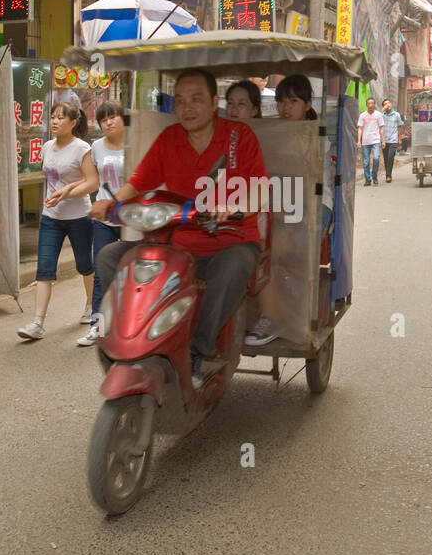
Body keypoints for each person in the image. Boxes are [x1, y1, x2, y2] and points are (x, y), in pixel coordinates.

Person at [89, 70, 268, 387]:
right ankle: (126, 336)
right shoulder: (170, 138)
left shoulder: (240, 137)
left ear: (214, 103)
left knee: (231, 268)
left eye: (197, 99)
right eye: (181, 100)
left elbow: (259, 189)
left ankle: (200, 351)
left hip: (230, 241)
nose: (188, 107)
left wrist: (235, 207)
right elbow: (139, 181)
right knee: (109, 257)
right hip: (177, 242)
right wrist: (111, 202)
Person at [244, 74, 327, 347]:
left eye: (293, 101)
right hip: (271, 210)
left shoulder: (316, 137)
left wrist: (293, 222)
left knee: (268, 250)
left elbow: (315, 192)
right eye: (281, 101)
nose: (285, 108)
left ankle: (273, 317)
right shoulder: (270, 132)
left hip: (306, 213)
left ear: (307, 104)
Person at [17, 103, 98, 340]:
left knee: (85, 265)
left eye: (60, 118)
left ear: (73, 123)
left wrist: (66, 193)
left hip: (79, 216)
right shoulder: (46, 147)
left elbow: (91, 182)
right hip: (51, 217)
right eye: (52, 117)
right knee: (44, 269)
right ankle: (37, 323)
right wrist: (56, 196)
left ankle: (91, 306)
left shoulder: (82, 148)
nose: (54, 121)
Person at [76, 101, 126, 347]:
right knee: (100, 270)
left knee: (131, 271)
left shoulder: (136, 144)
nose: (108, 122)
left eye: (113, 117)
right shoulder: (96, 147)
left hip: (129, 215)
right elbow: (93, 181)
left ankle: (128, 322)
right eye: (103, 119)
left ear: (123, 118)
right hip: (104, 215)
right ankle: (98, 325)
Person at [357, 96, 383, 186]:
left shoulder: (378, 115)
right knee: (366, 161)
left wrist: (383, 141)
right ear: (366, 105)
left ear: (374, 104)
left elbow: (381, 129)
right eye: (369, 103)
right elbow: (360, 128)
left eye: (372, 103)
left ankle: (374, 176)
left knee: (376, 158)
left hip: (376, 140)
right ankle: (367, 179)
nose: (371, 105)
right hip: (365, 141)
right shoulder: (362, 115)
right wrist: (359, 141)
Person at [379, 98, 403, 183]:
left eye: (389, 103)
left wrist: (399, 139)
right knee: (386, 158)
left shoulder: (396, 115)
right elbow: (376, 119)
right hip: (384, 140)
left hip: (393, 139)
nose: (388, 105)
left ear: (391, 104)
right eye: (385, 104)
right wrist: (382, 110)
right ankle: (388, 174)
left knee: (390, 157)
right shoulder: (382, 115)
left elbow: (400, 126)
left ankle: (388, 175)